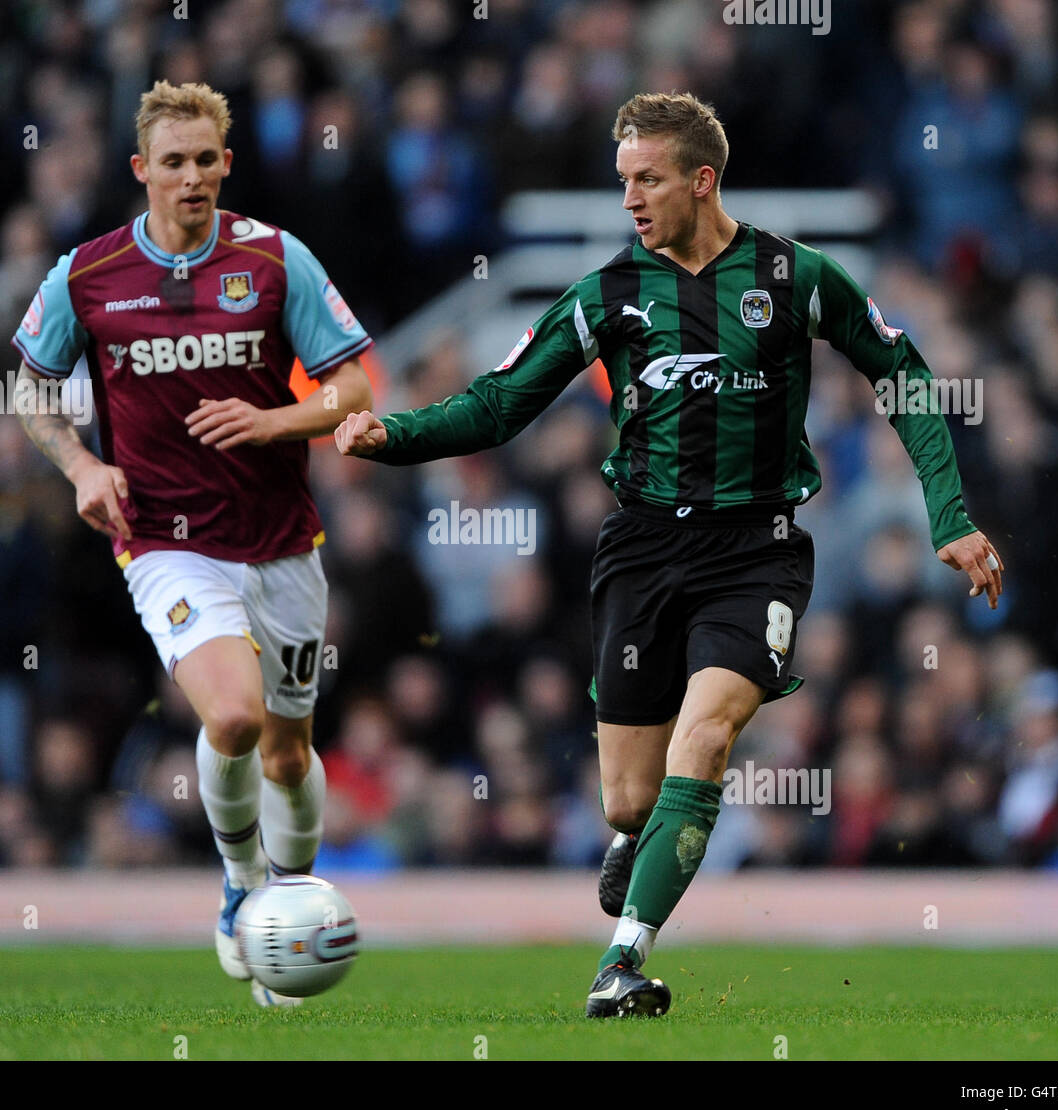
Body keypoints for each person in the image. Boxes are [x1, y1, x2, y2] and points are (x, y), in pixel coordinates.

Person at [336, 92, 1004, 1018]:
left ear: (702, 179)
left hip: (757, 549)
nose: (630, 200)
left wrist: (949, 514)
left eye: (646, 180)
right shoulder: (609, 294)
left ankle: (622, 961)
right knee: (627, 800)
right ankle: (641, 843)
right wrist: (390, 435)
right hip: (643, 549)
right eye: (622, 182)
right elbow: (496, 406)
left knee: (709, 737)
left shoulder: (794, 275)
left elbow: (903, 371)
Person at [12, 81, 374, 1007]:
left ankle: (290, 895)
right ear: (142, 170)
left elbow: (353, 392)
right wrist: (83, 470)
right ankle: (243, 886)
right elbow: (29, 389)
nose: (192, 177)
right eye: (172, 162)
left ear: (226, 164)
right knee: (234, 719)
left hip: (282, 541)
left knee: (289, 753)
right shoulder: (88, 277)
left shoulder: (276, 259)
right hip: (166, 543)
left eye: (207, 159)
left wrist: (275, 423)